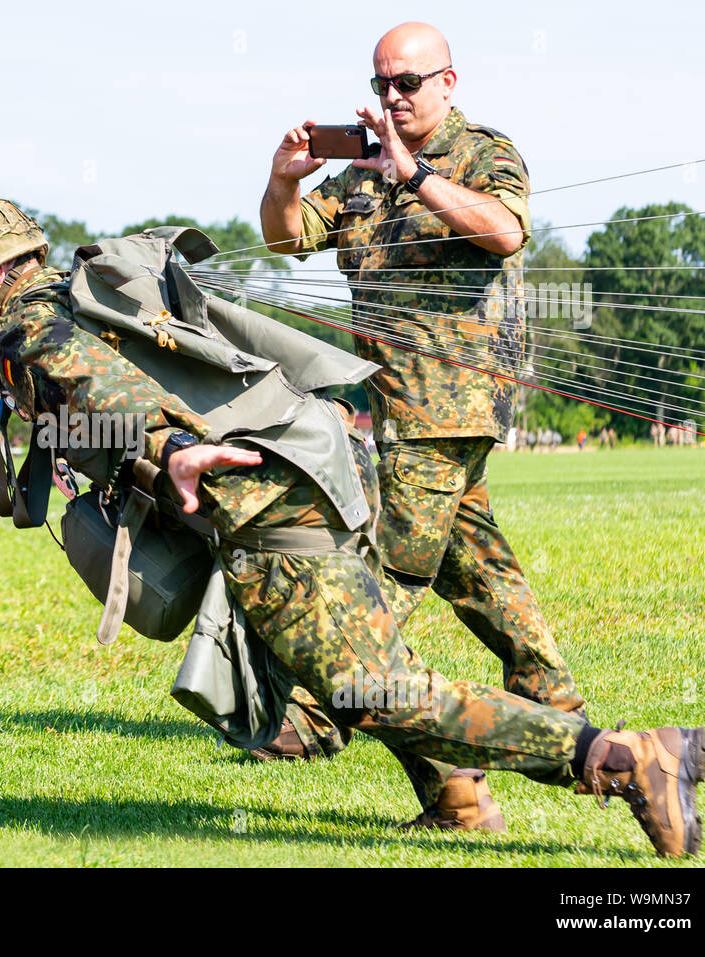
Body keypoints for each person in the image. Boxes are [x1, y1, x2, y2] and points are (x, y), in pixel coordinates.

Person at [0, 194, 705, 857]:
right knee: (353, 669)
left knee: (370, 689)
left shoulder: (31, 327)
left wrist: (172, 448)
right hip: (298, 474)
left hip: (265, 504)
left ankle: (624, 757)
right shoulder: (80, 293)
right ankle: (458, 796)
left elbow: (101, 392)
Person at [258, 22, 587, 821]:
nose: (393, 98)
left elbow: (505, 230)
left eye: (407, 82)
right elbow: (284, 242)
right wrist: (285, 180)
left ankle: (320, 710)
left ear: (448, 80)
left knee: (390, 567)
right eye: (381, 85)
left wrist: (415, 175)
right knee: (471, 560)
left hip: (452, 399)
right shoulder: (363, 170)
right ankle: (551, 692)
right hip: (395, 397)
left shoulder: (482, 152)